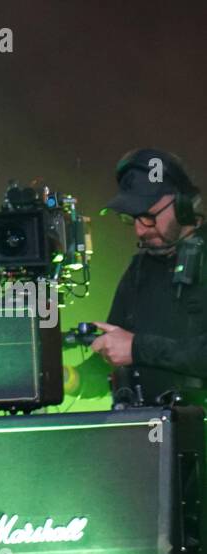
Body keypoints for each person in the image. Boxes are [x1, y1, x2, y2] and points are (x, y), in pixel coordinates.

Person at [91, 149, 205, 406]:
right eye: (131, 218)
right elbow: (119, 352)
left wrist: (138, 348)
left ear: (183, 205)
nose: (140, 229)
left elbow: (133, 348)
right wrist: (70, 377)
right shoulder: (139, 270)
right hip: (153, 437)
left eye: (148, 216)